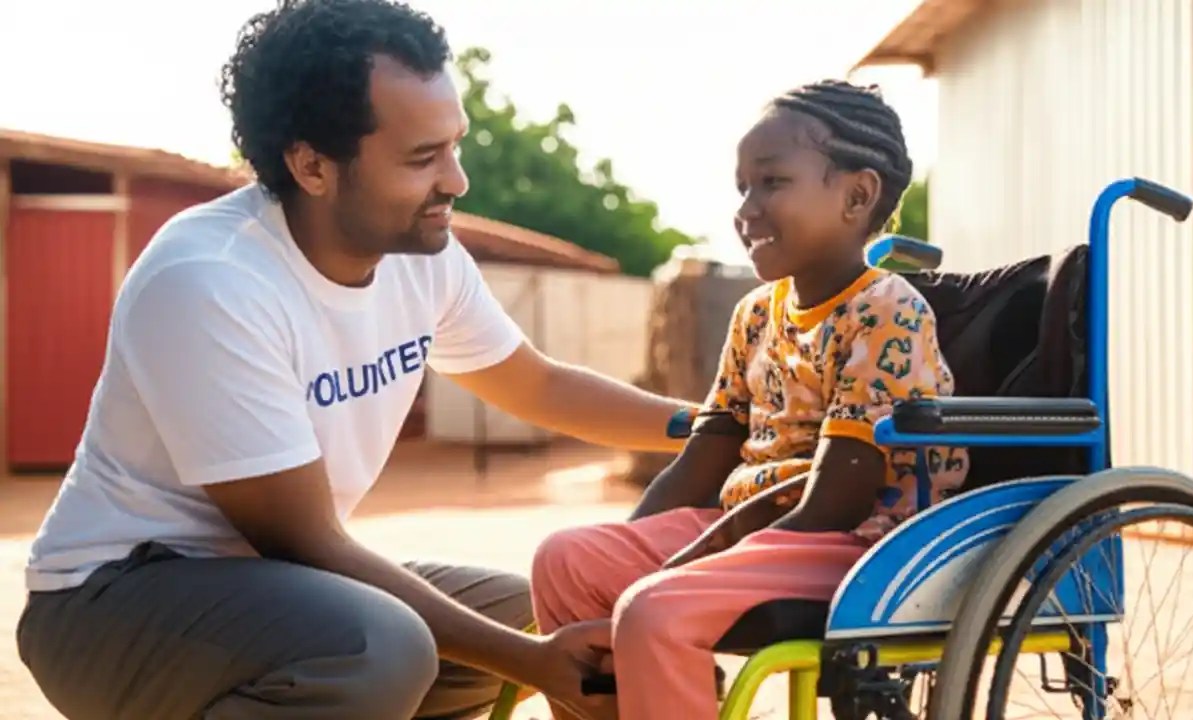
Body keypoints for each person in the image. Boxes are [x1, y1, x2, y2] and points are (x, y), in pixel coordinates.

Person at [14, 1, 698, 719]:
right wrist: (529, 663)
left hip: (274, 585)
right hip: (111, 603)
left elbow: (538, 385)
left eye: (454, 146)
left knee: (553, 612)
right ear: (311, 165)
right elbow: (304, 539)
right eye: (421, 158)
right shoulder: (210, 281)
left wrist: (719, 430)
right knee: (386, 649)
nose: (457, 180)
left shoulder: (420, 256)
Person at [529, 80, 971, 719]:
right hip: (755, 531)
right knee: (567, 561)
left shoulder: (886, 311)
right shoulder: (756, 313)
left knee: (655, 607)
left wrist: (698, 557)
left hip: (855, 541)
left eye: (771, 183)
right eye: (742, 188)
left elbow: (836, 498)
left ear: (857, 194)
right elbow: (702, 462)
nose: (746, 209)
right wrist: (637, 545)